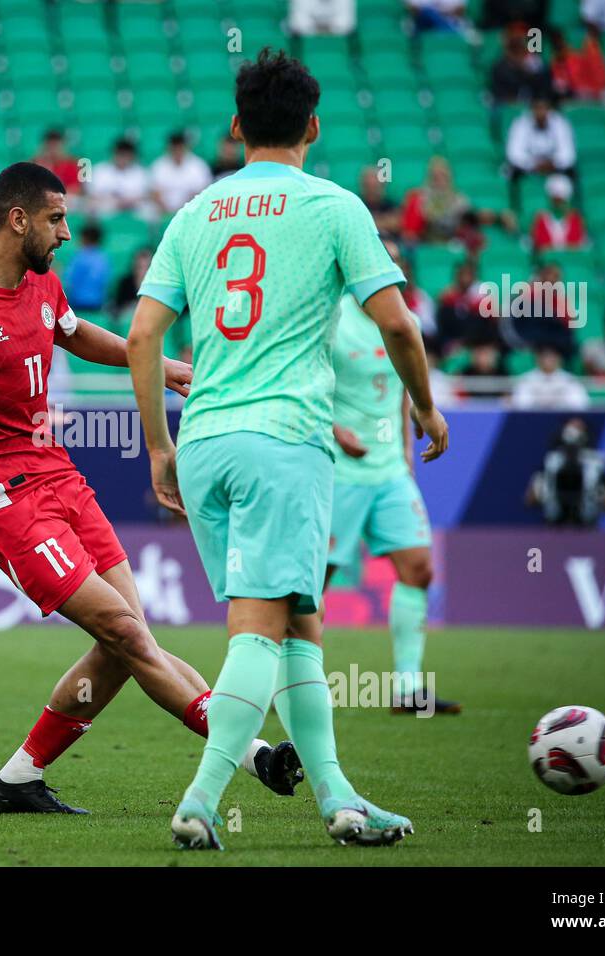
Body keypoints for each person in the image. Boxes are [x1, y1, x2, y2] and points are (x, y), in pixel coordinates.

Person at [0, 162, 302, 813]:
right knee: (126, 633)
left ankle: (17, 780)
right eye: (55, 218)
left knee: (129, 642)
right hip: (3, 502)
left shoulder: (42, 281)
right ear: (18, 219)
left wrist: (165, 366)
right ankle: (252, 752)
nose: (67, 232)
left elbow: (73, 334)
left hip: (61, 478)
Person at [127, 49, 448, 850]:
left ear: (236, 127)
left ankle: (338, 798)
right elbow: (400, 324)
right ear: (312, 126)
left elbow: (142, 336)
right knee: (260, 631)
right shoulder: (336, 208)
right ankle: (200, 801)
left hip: (203, 442)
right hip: (285, 442)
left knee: (299, 624)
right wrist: (424, 405)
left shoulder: (193, 213)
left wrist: (158, 449)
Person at [327, 239, 459, 717]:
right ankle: (289, 684)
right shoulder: (332, 317)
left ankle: (407, 688)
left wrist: (406, 448)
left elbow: (405, 387)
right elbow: (300, 381)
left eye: (395, 265)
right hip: (338, 470)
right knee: (308, 585)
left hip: (387, 470)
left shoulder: (402, 318)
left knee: (419, 568)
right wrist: (333, 429)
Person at [525, 417, 605, 527]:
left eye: (578, 428)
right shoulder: (550, 461)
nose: (574, 433)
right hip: (554, 526)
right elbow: (530, 499)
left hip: (586, 527)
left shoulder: (596, 463)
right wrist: (542, 491)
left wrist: (598, 496)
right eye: (571, 428)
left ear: (585, 433)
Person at [505, 96, 577, 178]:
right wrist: (533, 164)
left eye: (544, 108)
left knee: (567, 176)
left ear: (549, 109)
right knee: (510, 172)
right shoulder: (520, 123)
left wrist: (553, 163)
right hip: (527, 169)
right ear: (532, 109)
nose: (540, 112)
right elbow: (514, 153)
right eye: (537, 108)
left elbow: (568, 153)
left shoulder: (560, 123)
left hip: (554, 169)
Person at [148, 132, 212, 214]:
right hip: (163, 211)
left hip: (191, 210)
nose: (177, 150)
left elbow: (202, 192)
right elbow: (154, 193)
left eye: (180, 146)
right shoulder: (158, 166)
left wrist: (184, 209)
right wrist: (166, 210)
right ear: (169, 147)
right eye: (175, 146)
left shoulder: (198, 166)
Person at [490, 22, 554, 103]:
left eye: (520, 40)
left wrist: (524, 69)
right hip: (510, 105)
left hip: (534, 105)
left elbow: (543, 87)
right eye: (515, 46)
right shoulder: (500, 67)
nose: (518, 45)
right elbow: (499, 92)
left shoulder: (535, 61)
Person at [510, 345, 590, 409]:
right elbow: (521, 404)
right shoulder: (526, 379)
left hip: (562, 419)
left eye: (552, 356)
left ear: (559, 359)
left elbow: (580, 404)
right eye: (545, 356)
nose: (549, 360)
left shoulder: (570, 380)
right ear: (537, 359)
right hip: (532, 420)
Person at [87, 138, 150, 217]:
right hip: (107, 207)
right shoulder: (100, 170)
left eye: (126, 154)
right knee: (92, 207)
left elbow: (145, 196)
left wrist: (126, 201)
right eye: (120, 154)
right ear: (114, 153)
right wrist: (114, 201)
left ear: (132, 156)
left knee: (149, 210)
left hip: (134, 208)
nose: (123, 158)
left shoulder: (140, 172)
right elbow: (92, 195)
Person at [530, 173, 588, 252]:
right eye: (556, 200)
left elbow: (580, 247)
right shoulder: (539, 218)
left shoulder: (577, 218)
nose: (559, 204)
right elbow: (535, 246)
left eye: (561, 200)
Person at [549, 26, 605, 101]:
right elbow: (561, 82)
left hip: (595, 92)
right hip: (575, 94)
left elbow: (602, 80)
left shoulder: (593, 57)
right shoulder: (558, 59)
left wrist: (595, 91)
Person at [64, 222, 110, 311]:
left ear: (85, 238)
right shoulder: (104, 258)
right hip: (98, 305)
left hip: (77, 305)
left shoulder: (78, 257)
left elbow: (69, 281)